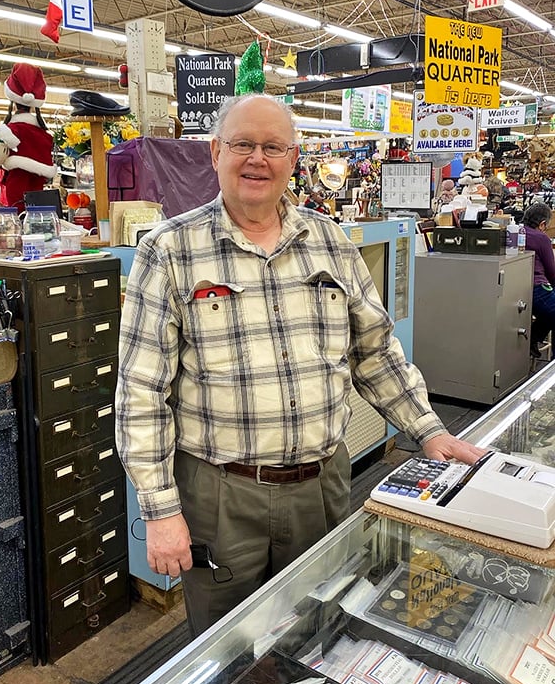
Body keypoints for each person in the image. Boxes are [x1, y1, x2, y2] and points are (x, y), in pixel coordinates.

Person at [115, 94, 485, 636]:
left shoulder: (330, 241)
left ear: (293, 158)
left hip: (322, 486)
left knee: (319, 626)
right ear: (216, 152)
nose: (257, 159)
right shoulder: (169, 250)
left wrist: (428, 430)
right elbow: (140, 391)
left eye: (273, 147)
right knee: (228, 645)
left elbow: (374, 351)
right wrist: (160, 508)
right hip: (221, 497)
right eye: (243, 144)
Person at [0, 63, 57, 212]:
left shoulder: (11, 130)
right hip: (38, 187)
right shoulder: (44, 134)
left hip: (16, 183)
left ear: (13, 103)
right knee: (37, 217)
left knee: (18, 217)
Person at [523, 202, 555, 358]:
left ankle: (532, 338)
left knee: (549, 313)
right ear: (542, 224)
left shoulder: (515, 232)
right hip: (537, 289)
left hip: (517, 288)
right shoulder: (541, 238)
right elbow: (551, 272)